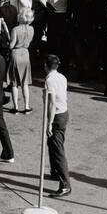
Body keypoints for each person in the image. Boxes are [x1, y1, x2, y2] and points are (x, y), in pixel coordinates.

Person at [43, 53, 72, 197]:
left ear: (46, 66)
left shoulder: (49, 80)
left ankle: (65, 184)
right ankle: (55, 172)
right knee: (52, 145)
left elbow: (52, 103)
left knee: (58, 149)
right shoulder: (62, 77)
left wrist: (49, 123)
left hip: (56, 116)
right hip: (64, 113)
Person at [8, 6, 35, 112]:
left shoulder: (15, 29)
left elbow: (11, 45)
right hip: (25, 53)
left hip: (16, 53)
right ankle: (27, 106)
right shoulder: (31, 29)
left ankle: (15, 107)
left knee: (14, 82)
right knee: (25, 82)